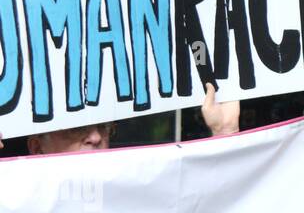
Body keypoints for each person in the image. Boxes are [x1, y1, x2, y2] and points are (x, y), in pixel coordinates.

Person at [21, 83, 240, 155]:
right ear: (37, 147)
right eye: (77, 128)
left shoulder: (133, 194)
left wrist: (225, 133)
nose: (96, 137)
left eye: (104, 126)